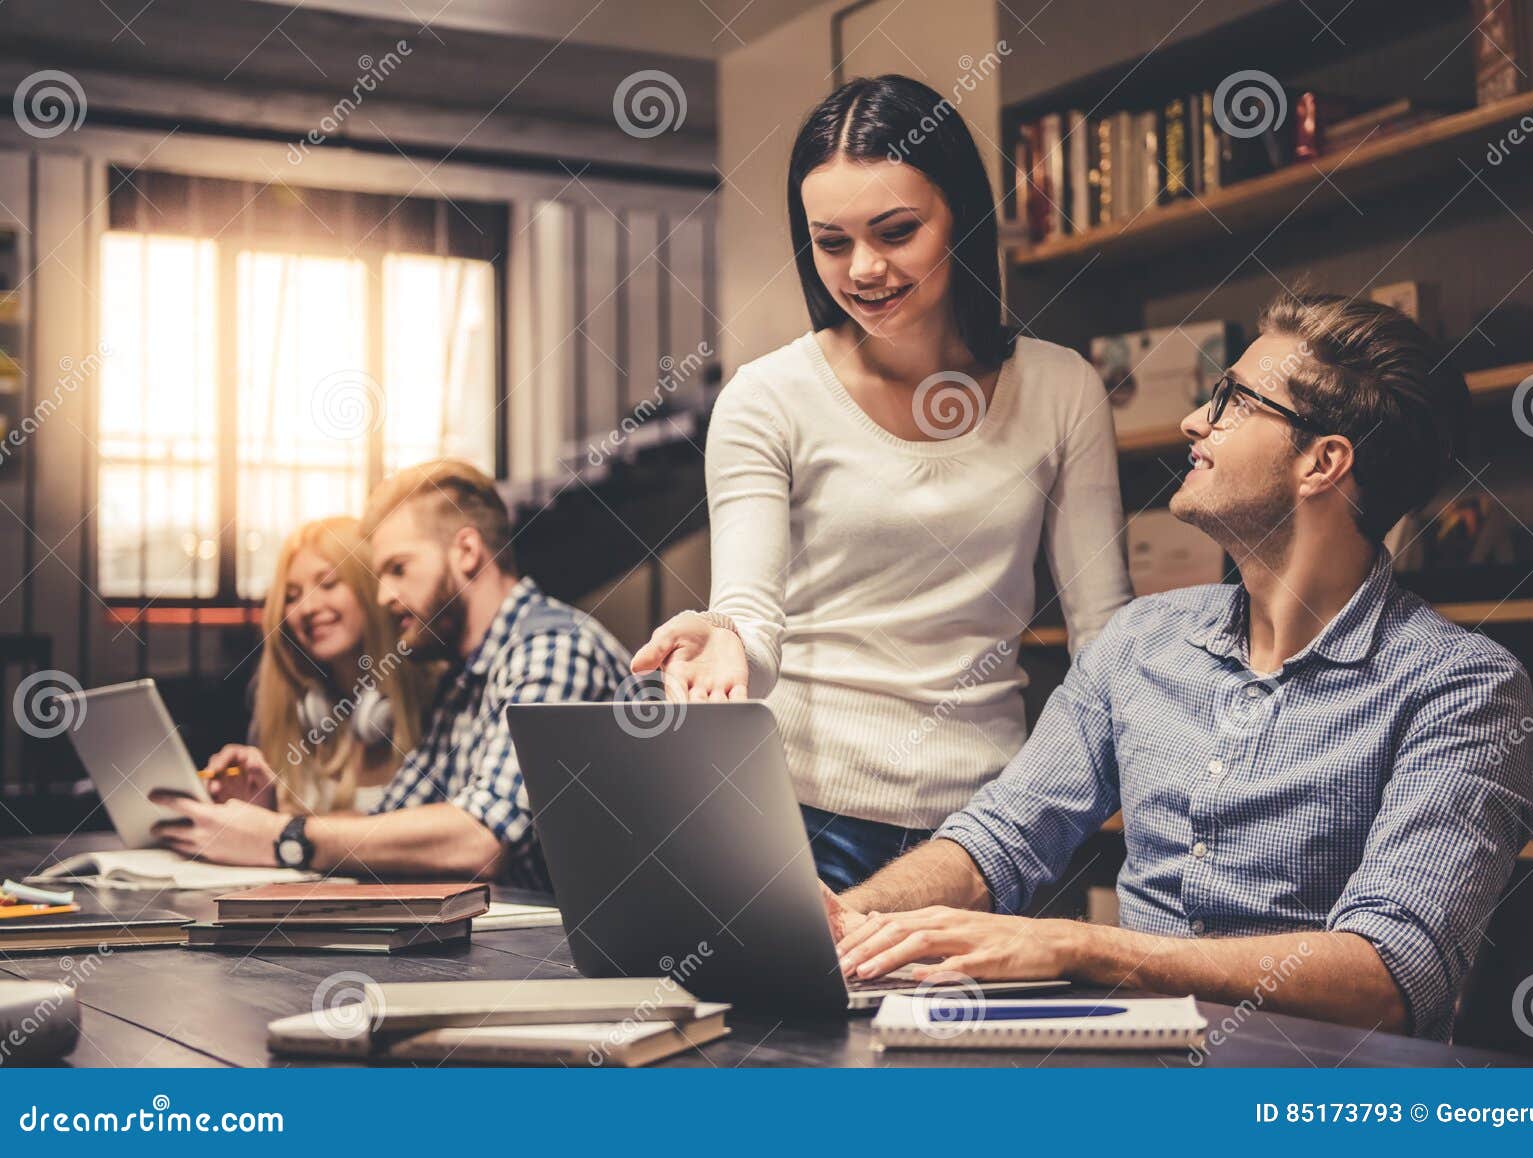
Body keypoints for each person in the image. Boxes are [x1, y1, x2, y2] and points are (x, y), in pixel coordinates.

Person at [824, 292, 1533, 1042]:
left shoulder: (1465, 690)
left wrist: (1081, 948)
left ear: (1323, 462)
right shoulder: (1142, 640)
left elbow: (1393, 975)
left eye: (1234, 402)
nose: (1195, 421)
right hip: (1135, 1073)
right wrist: (848, 921)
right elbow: (1002, 838)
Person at [630, 75, 1132, 891]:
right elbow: (752, 622)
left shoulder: (1061, 388)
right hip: (801, 815)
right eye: (832, 242)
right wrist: (723, 642)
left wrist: (1079, 800)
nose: (864, 269)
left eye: (897, 232)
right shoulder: (767, 398)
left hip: (992, 822)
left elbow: (1102, 638)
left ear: (961, 216)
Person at [153, 460, 632, 886]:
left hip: (572, 951)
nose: (383, 596)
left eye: (398, 569)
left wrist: (283, 837)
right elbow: (389, 823)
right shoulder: (465, 678)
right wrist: (268, 818)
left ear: (466, 551)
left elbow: (481, 838)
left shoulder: (551, 649)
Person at [200, 516, 433, 816]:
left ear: (371, 587)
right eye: (292, 596)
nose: (308, 608)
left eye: (328, 584)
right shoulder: (291, 710)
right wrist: (262, 808)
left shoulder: (438, 700)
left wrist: (286, 828)